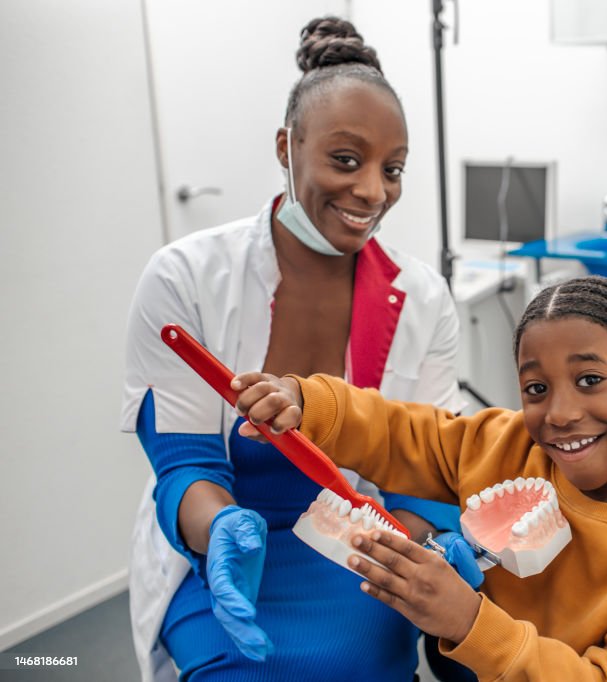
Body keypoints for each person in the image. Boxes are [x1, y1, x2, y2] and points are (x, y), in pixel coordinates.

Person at [122, 16, 480, 682]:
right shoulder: (185, 278)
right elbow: (184, 463)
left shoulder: (423, 298)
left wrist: (403, 546)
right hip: (218, 544)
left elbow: (432, 459)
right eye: (346, 161)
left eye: (392, 170)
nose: (373, 191)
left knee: (362, 661)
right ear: (287, 146)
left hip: (359, 543)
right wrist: (221, 533)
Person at [233, 276, 607, 681]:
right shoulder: (505, 444)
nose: (561, 413)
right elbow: (401, 433)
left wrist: (470, 623)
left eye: (590, 380)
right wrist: (305, 402)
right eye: (536, 387)